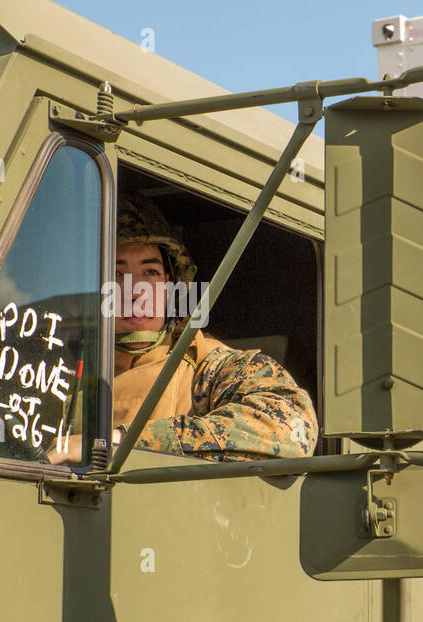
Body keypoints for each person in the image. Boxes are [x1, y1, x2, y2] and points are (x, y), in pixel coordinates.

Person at [53, 192, 318, 464]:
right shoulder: (57, 370)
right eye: (116, 274)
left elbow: (291, 430)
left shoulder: (210, 369)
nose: (135, 292)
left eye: (150, 273)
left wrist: (117, 441)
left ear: (169, 286)